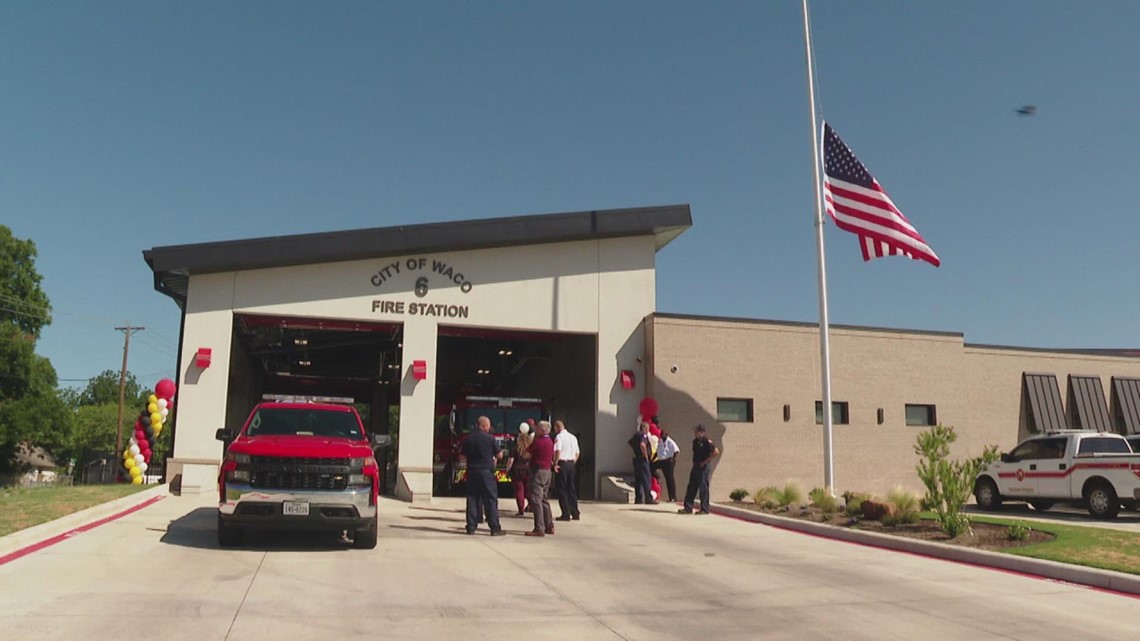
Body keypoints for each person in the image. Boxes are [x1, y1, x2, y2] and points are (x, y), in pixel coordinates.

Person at [460, 416, 505, 535]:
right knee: (490, 500)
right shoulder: (490, 438)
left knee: (472, 499)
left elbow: (462, 456)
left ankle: (471, 526)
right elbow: (499, 455)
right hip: (486, 472)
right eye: (489, 426)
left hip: (472, 472)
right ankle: (494, 528)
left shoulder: (468, 439)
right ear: (484, 426)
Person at [679, 424, 720, 515]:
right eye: (695, 431)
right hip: (696, 466)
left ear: (702, 432)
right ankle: (688, 507)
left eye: (697, 431)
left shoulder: (707, 441)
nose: (695, 433)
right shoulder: (695, 441)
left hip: (703, 467)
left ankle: (704, 509)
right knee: (691, 487)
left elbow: (716, 452)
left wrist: (705, 462)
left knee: (703, 488)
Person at [525, 420, 556, 537]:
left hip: (538, 471)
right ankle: (549, 525)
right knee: (544, 499)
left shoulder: (538, 442)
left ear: (542, 430)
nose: (535, 430)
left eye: (537, 428)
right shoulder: (550, 441)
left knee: (536, 500)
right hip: (547, 471)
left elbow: (525, 455)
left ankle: (539, 527)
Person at [552, 419, 581, 521]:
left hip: (562, 464)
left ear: (557, 427)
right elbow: (577, 453)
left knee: (562, 489)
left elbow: (557, 451)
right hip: (571, 464)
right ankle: (575, 512)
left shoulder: (559, 437)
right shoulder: (573, 437)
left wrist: (555, 464)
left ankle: (565, 513)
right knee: (571, 489)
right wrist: (573, 462)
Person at [506, 421, 533, 516]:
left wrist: (507, 470)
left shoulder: (515, 448)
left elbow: (511, 461)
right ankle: (532, 505)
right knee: (529, 490)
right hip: (528, 470)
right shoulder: (531, 448)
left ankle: (521, 509)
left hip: (517, 471)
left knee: (519, 490)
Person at [628, 421, 655, 504]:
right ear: (645, 428)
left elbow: (630, 443)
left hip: (636, 459)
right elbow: (642, 444)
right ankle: (648, 498)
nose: (648, 431)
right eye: (648, 429)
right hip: (642, 459)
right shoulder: (643, 435)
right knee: (646, 478)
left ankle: (638, 498)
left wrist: (635, 450)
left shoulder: (636, 435)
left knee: (638, 480)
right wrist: (645, 454)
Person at [652, 428, 680, 502]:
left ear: (667, 434)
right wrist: (652, 459)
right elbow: (657, 451)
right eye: (661, 434)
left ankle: (673, 497)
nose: (661, 435)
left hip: (668, 461)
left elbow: (677, 451)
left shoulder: (670, 442)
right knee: (651, 467)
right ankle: (655, 476)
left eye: (663, 434)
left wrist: (673, 460)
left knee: (669, 479)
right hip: (661, 461)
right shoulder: (660, 441)